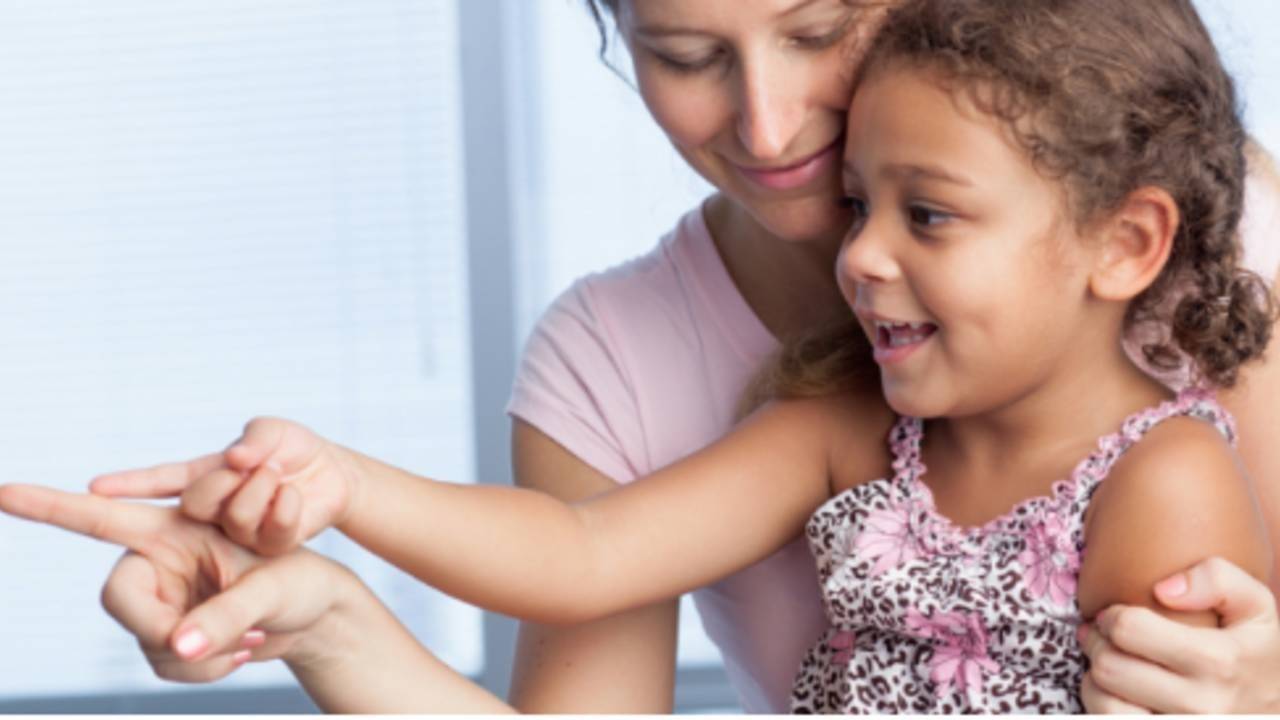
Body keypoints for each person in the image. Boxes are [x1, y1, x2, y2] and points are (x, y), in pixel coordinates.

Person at [4, 0, 1280, 713]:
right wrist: (332, 539)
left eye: (816, 27)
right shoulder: (846, 416)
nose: (774, 124)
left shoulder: (1170, 423)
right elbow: (585, 554)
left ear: (1126, 242)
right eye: (683, 56)